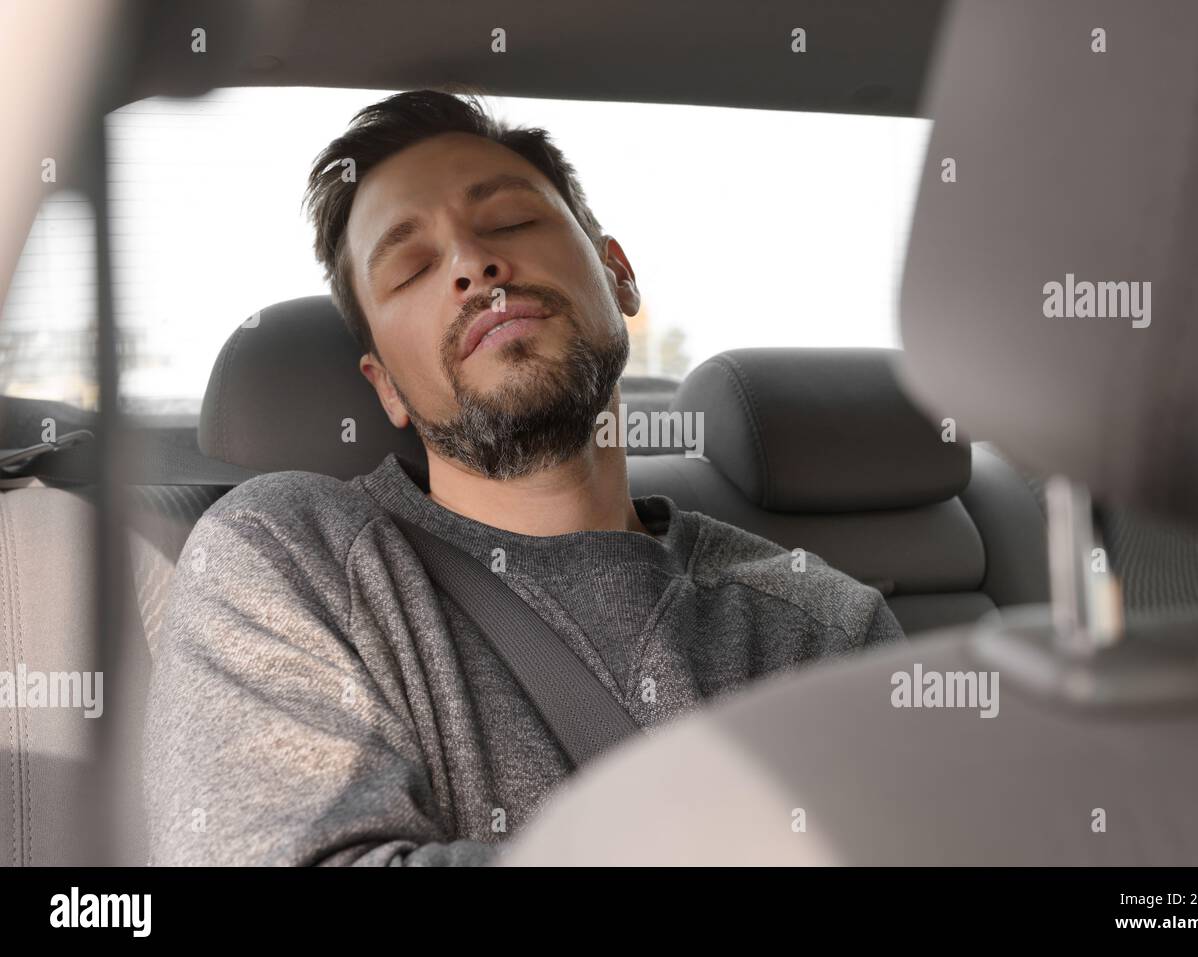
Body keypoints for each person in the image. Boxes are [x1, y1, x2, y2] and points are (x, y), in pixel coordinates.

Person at [143, 89, 904, 866]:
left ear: (619, 276)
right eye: (411, 268)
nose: (474, 266)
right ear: (386, 388)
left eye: (508, 222)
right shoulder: (290, 557)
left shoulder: (824, 625)